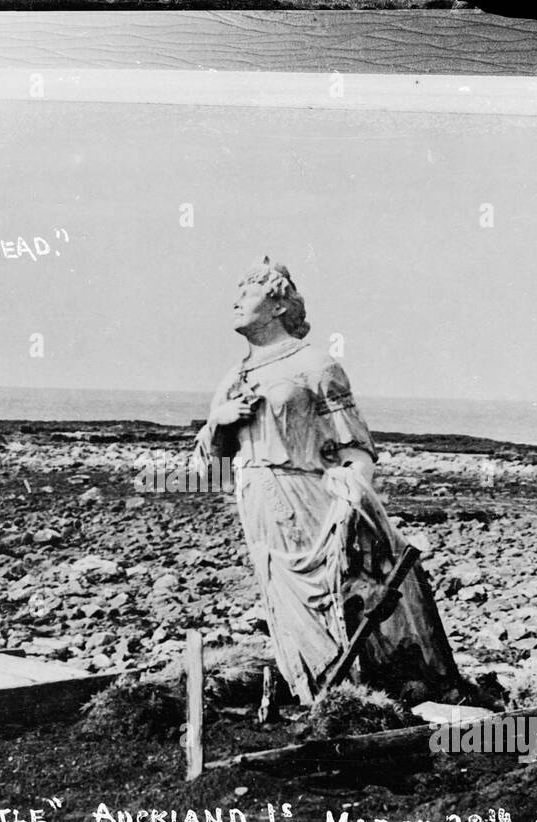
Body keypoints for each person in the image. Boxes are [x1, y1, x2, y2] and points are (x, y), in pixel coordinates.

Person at [193, 257, 465, 706]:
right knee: (285, 603)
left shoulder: (316, 366)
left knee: (342, 590)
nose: (235, 301)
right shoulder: (233, 378)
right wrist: (219, 423)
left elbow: (357, 450)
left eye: (247, 293)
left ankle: (366, 693)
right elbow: (212, 472)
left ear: (279, 305)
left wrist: (349, 502)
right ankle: (315, 694)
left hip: (313, 498)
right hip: (259, 505)